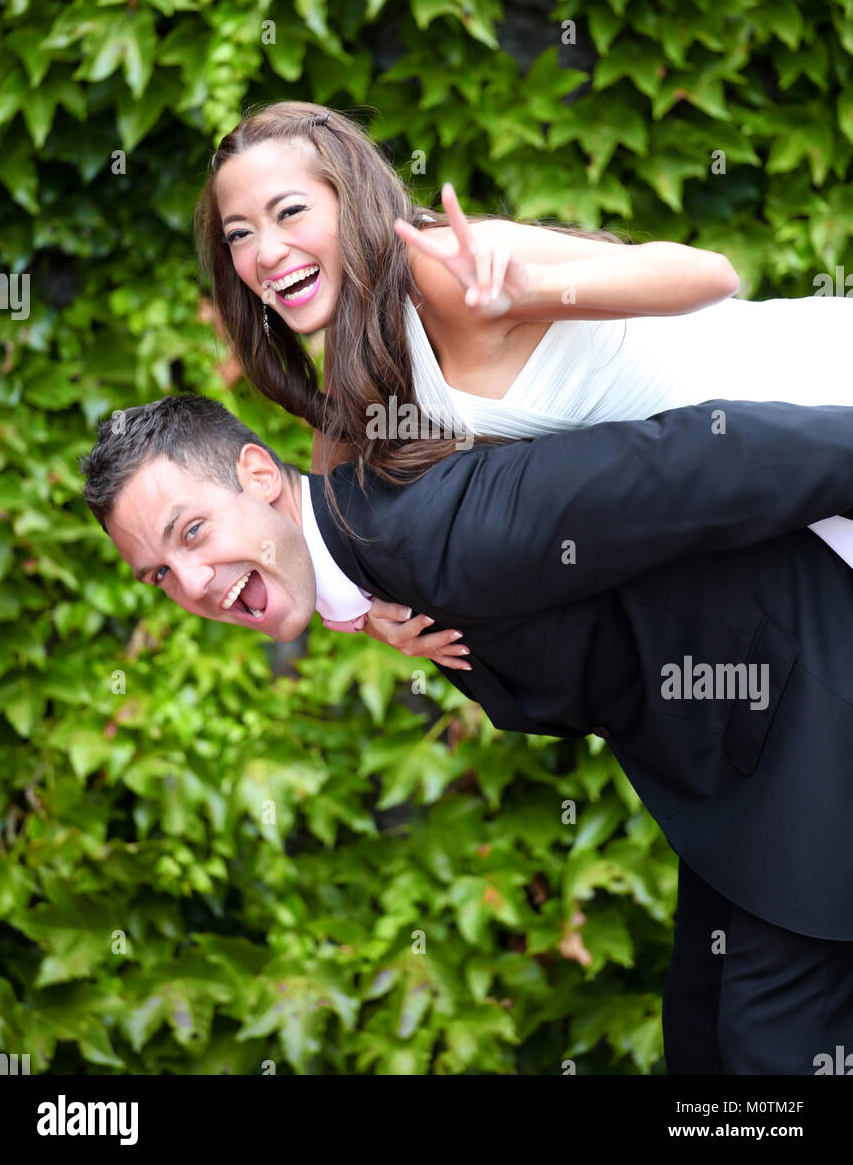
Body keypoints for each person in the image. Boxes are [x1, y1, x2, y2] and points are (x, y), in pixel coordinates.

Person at [82, 391, 853, 1075]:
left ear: (257, 473)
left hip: (816, 714)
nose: (189, 586)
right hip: (737, 775)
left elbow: (687, 461)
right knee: (702, 1043)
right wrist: (351, 611)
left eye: (189, 534)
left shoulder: (435, 527)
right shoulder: (361, 558)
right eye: (158, 575)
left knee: (772, 1051)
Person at [194, 100, 853, 668]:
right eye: (240, 235)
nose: (267, 252)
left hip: (809, 395)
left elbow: (710, 275)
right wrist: (373, 619)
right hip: (762, 490)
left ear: (350, 198)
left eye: (290, 212)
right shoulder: (352, 367)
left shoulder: (441, 274)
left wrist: (534, 290)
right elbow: (332, 527)